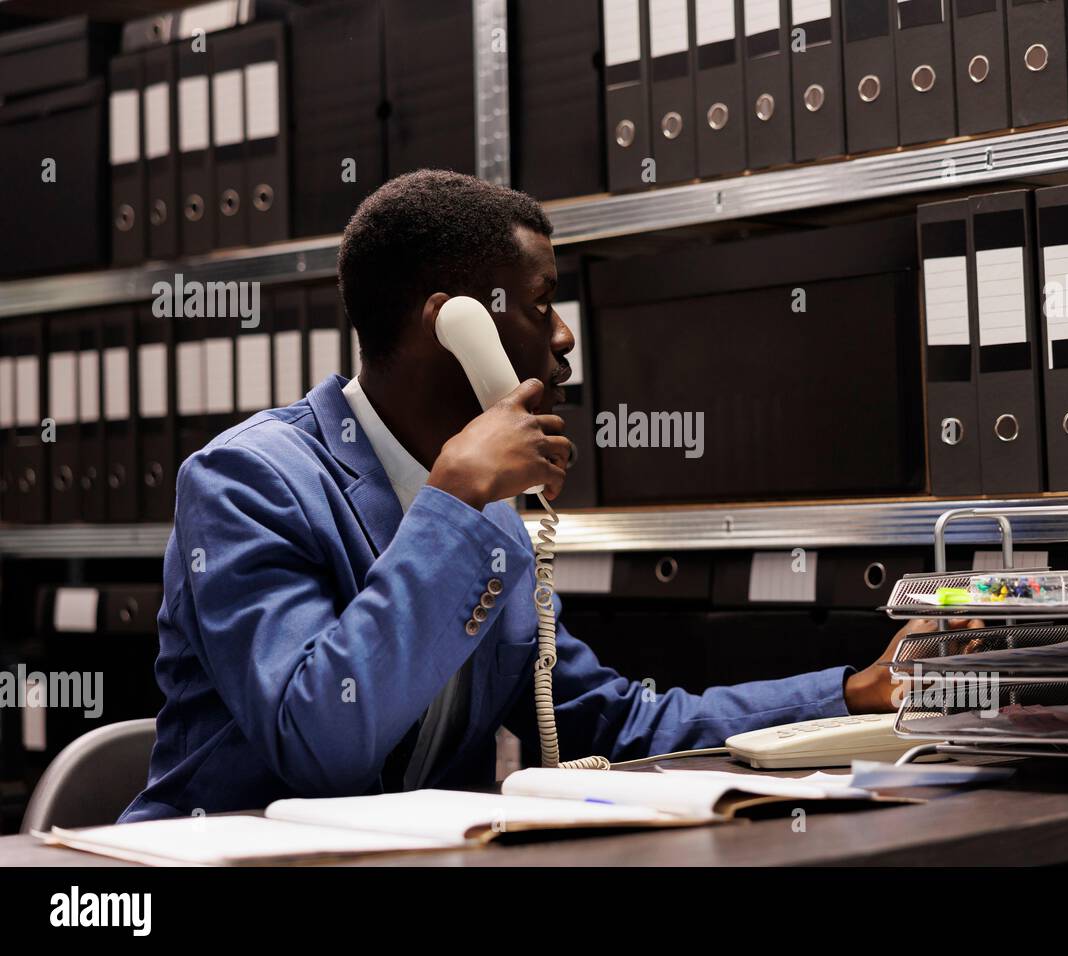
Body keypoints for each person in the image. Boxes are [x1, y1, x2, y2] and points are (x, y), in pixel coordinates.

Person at [119, 170, 975, 822]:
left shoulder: (486, 522)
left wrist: (852, 691)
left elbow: (614, 722)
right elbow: (321, 742)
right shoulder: (248, 481)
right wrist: (453, 499)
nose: (565, 337)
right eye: (541, 303)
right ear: (452, 326)